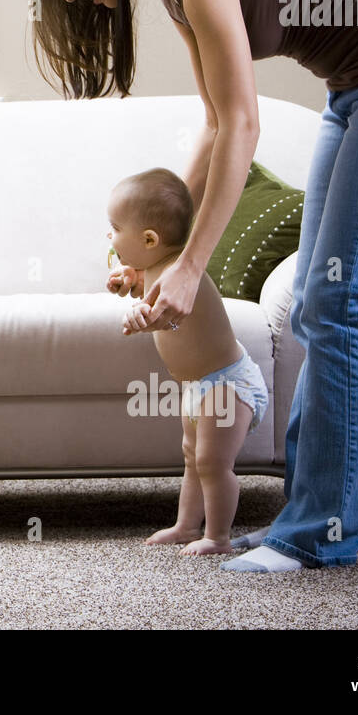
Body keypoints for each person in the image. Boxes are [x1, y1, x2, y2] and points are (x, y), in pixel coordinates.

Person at [16, 0, 358, 571]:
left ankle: (321, 529)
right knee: (319, 304)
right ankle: (313, 513)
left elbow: (245, 126)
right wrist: (148, 255)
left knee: (338, 300)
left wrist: (191, 265)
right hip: (357, 88)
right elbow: (213, 126)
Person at [105, 168, 269, 556]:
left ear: (149, 239)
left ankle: (218, 536)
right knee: (192, 457)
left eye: (114, 229)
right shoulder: (160, 264)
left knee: (212, 462)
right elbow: (140, 282)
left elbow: (163, 316)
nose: (109, 237)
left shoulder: (182, 277)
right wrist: (126, 280)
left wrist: (137, 314)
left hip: (228, 383)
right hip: (199, 385)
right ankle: (185, 526)